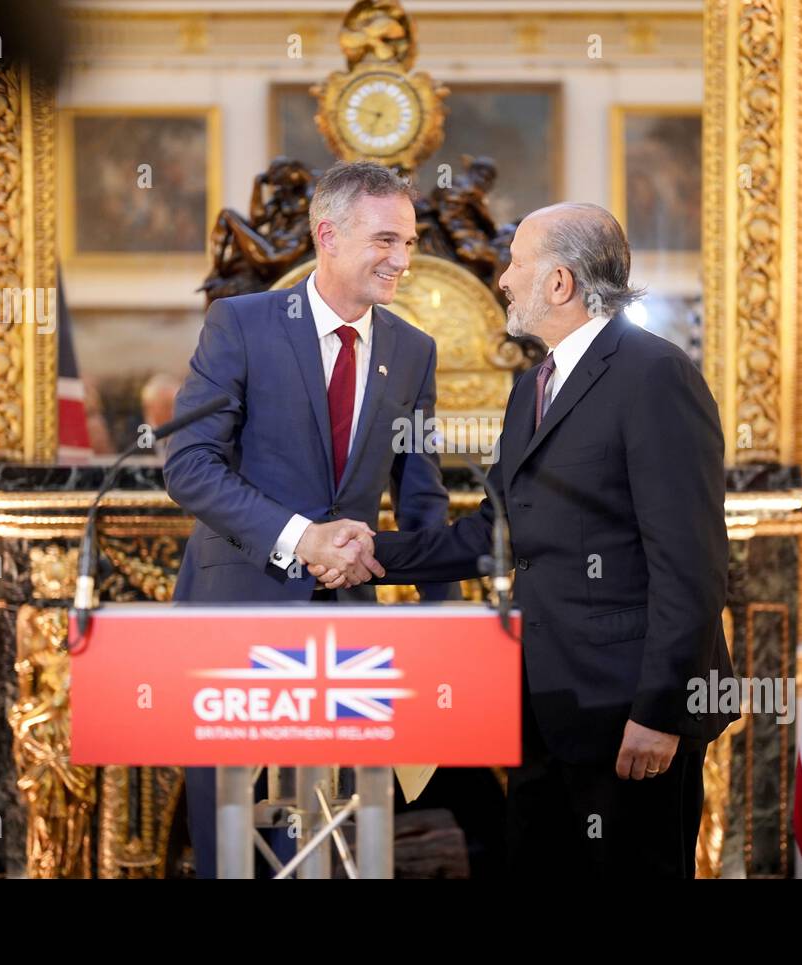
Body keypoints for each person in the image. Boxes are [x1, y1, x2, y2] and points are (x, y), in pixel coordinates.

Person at [315, 202, 738, 879]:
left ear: (562, 282)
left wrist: (661, 712)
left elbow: (692, 562)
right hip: (543, 711)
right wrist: (365, 552)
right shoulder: (529, 388)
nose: (503, 279)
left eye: (515, 264)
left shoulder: (654, 375)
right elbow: (493, 533)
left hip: (629, 711)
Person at [163, 160, 456, 877]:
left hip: (350, 639)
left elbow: (422, 496)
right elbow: (189, 465)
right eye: (386, 240)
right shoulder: (242, 323)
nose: (402, 259)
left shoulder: (413, 351)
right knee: (233, 845)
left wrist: (447, 628)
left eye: (410, 243)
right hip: (234, 620)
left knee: (331, 846)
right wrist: (303, 537)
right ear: (328, 234)